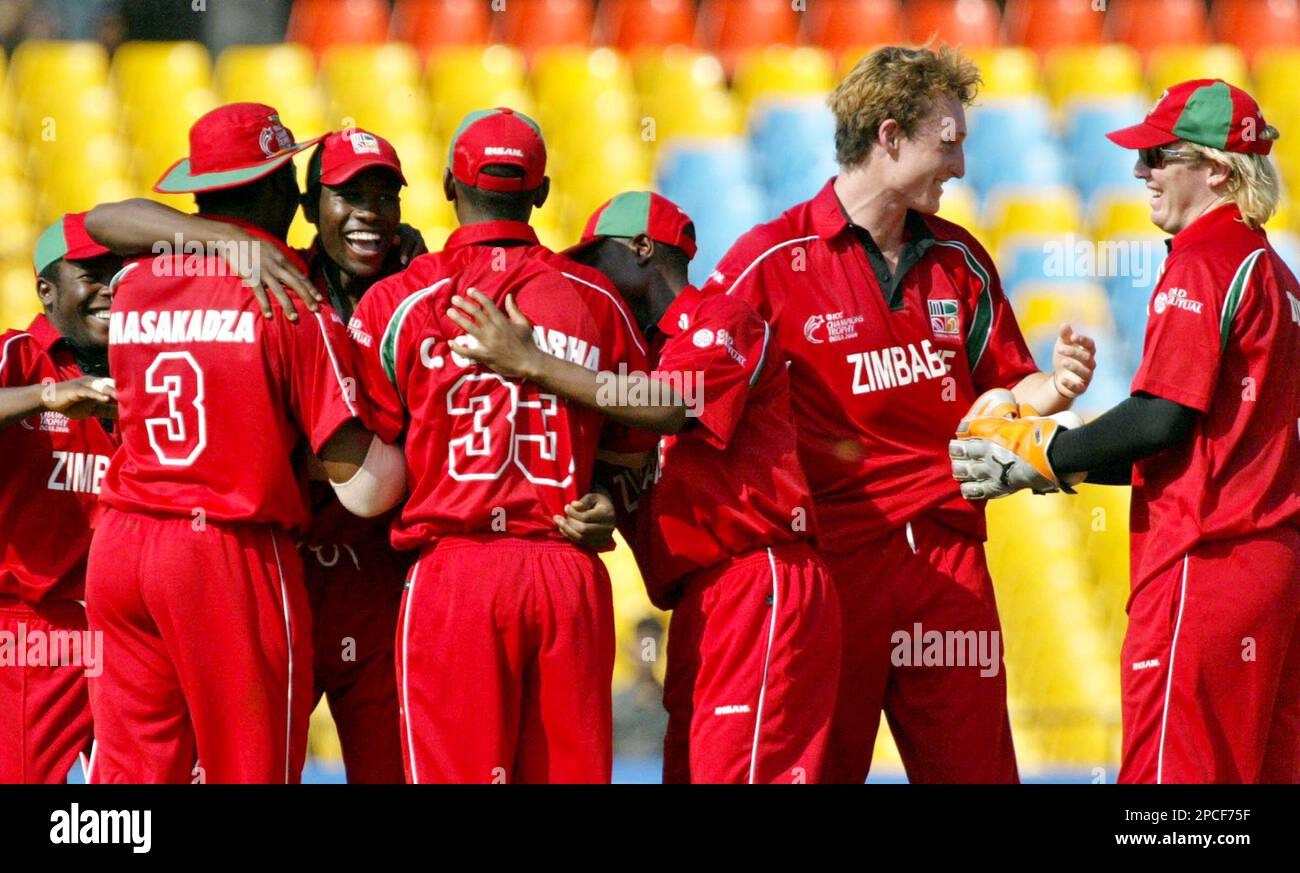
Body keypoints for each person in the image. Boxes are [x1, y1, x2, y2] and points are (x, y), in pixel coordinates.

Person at [700, 45, 1098, 783]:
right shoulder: (767, 263)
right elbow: (695, 406)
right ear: (888, 137)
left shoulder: (962, 260)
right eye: (948, 143)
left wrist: (1057, 385)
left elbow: (1005, 400)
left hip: (949, 570)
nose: (962, 166)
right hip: (832, 570)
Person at [951, 79, 1299, 784]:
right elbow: (1194, 438)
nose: (1141, 173)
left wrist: (1042, 454)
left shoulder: (1205, 260)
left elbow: (1160, 419)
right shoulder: (1274, 270)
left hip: (1206, 560)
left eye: (1158, 157)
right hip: (1272, 563)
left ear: (1216, 170)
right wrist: (1063, 455)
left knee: (1172, 796)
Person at [449, 191, 842, 783]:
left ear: (641, 248)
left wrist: (532, 362)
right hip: (701, 600)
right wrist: (603, 503)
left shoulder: (723, 320)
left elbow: (669, 407)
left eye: (593, 259)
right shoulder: (633, 361)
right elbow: (634, 463)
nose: (583, 277)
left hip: (757, 579)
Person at [84, 103, 406, 784]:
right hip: (228, 550)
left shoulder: (133, 284)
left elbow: (99, 220)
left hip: (122, 547)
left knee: (132, 780)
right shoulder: (289, 294)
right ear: (279, 189)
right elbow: (368, 487)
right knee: (249, 770)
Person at [347, 107, 650, 783]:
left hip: (455, 572)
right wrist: (599, 493)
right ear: (540, 194)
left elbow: (364, 459)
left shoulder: (400, 301)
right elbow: (634, 451)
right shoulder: (597, 299)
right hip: (566, 571)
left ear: (450, 186)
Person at [0, 213, 119, 783]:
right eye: (91, 273)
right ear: (46, 290)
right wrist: (51, 394)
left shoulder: (152, 360)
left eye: (119, 271)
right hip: (33, 632)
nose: (111, 286)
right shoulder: (18, 356)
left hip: (131, 631)